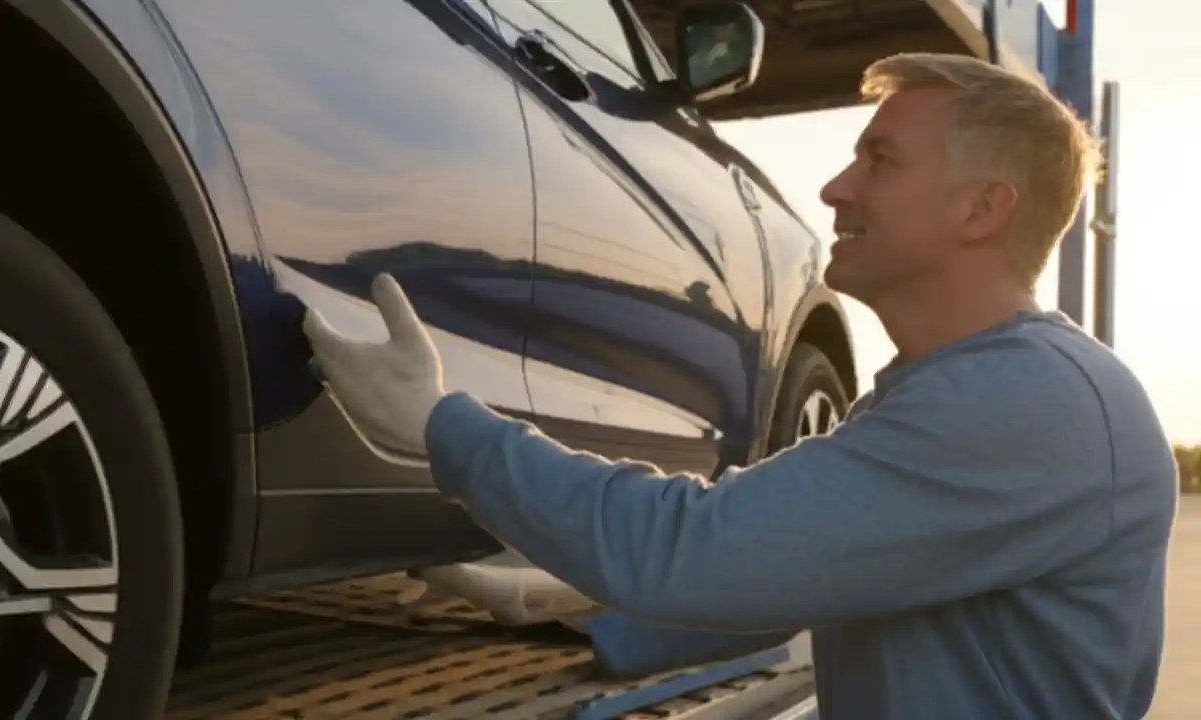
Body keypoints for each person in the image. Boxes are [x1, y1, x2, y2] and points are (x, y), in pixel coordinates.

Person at [303, 52, 1178, 719]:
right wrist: (549, 600)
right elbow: (776, 584)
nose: (837, 187)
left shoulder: (1029, 401)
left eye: (881, 160)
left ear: (981, 209)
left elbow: (700, 554)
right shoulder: (961, 394)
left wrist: (441, 426)